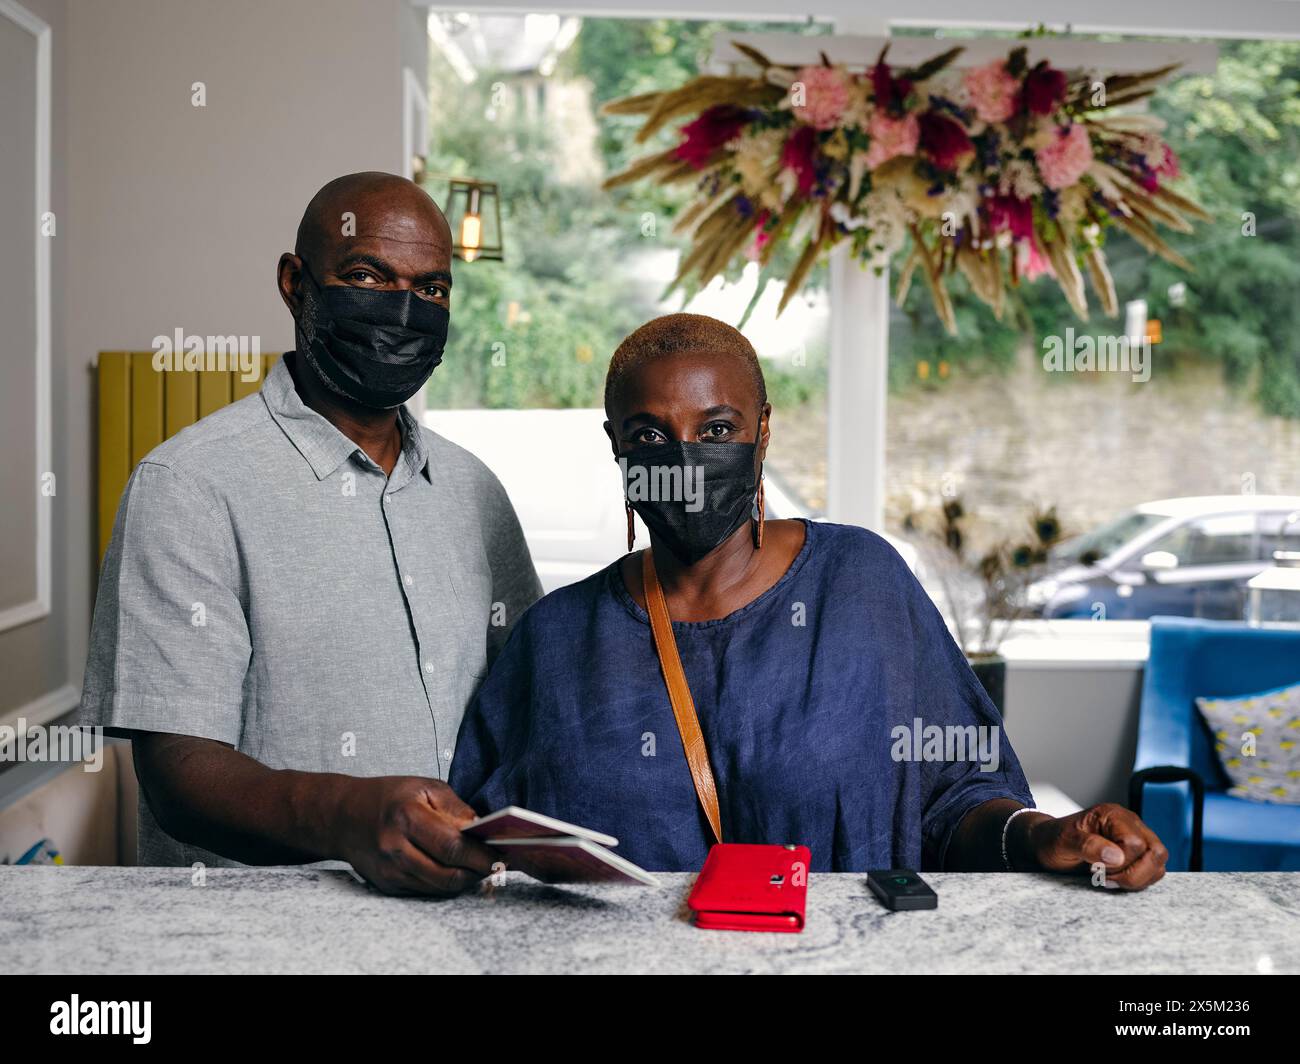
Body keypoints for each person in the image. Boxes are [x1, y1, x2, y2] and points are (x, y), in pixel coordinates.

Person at [450, 313, 1169, 888]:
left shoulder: (861, 585)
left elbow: (952, 798)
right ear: (616, 445)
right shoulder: (558, 636)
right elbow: (486, 834)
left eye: (717, 430)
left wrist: (1042, 835)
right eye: (650, 435)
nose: (686, 460)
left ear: (763, 430)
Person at [80, 172, 541, 895]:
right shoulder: (188, 486)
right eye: (367, 276)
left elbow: (525, 702)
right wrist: (349, 818)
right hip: (254, 935)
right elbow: (178, 775)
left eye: (432, 289)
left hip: (457, 917)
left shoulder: (474, 489)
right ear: (295, 284)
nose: (403, 312)